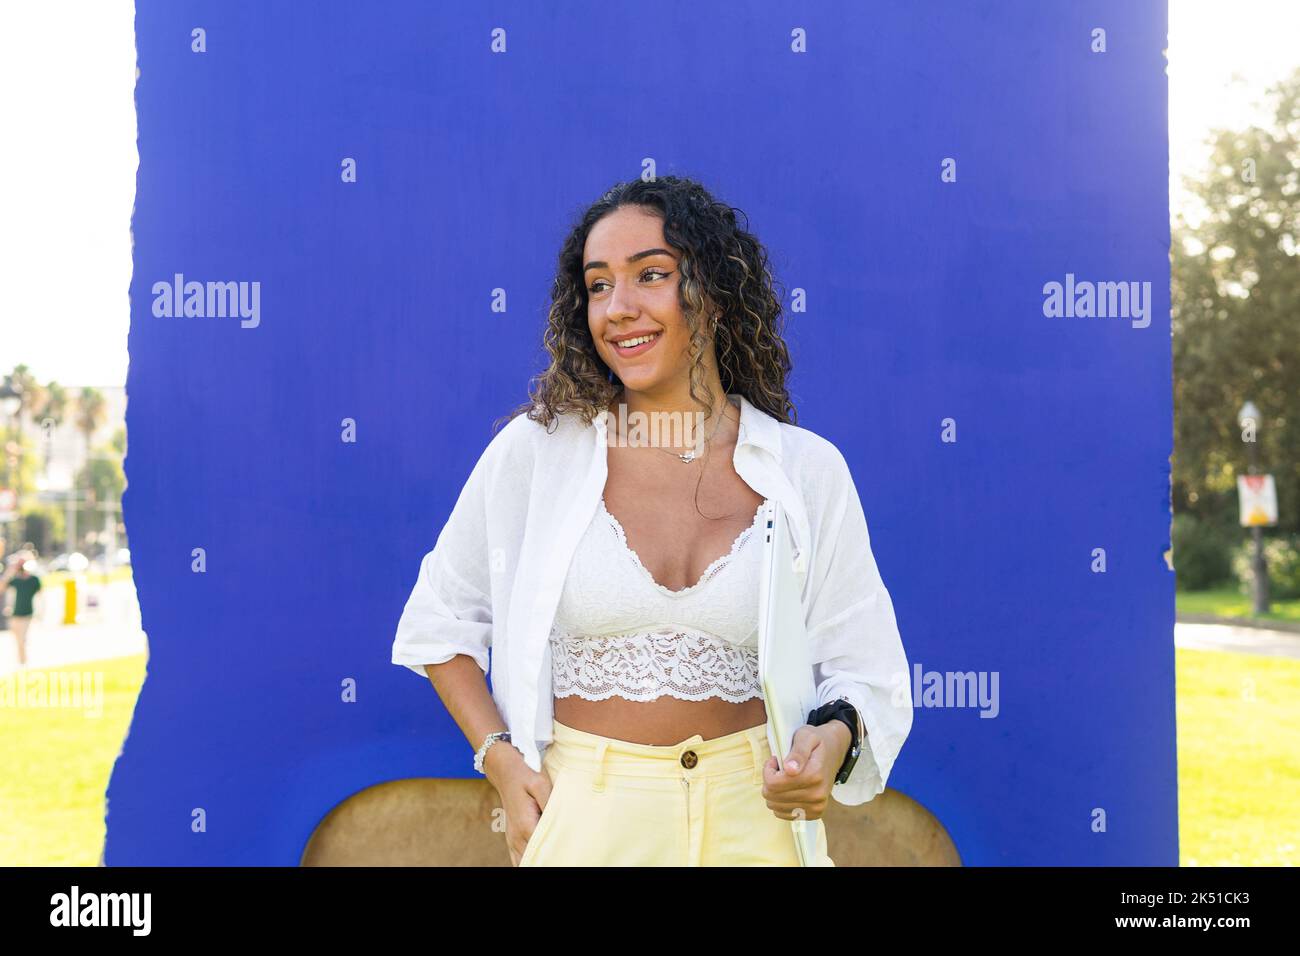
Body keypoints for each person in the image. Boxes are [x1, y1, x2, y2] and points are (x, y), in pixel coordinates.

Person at [392, 175, 913, 866]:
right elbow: (439, 621)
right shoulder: (538, 454)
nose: (619, 308)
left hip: (757, 825)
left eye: (652, 275)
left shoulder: (806, 471)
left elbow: (863, 667)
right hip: (588, 824)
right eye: (599, 285)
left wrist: (832, 742)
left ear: (717, 294)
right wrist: (501, 760)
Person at [3, 554, 42, 668]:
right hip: (14, 615)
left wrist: (40, 613)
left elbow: (40, 596)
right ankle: (22, 661)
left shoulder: (34, 580)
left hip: (27, 614)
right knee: (18, 640)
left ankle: (22, 663)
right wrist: (10, 571)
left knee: (22, 640)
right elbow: (2, 587)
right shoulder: (15, 580)